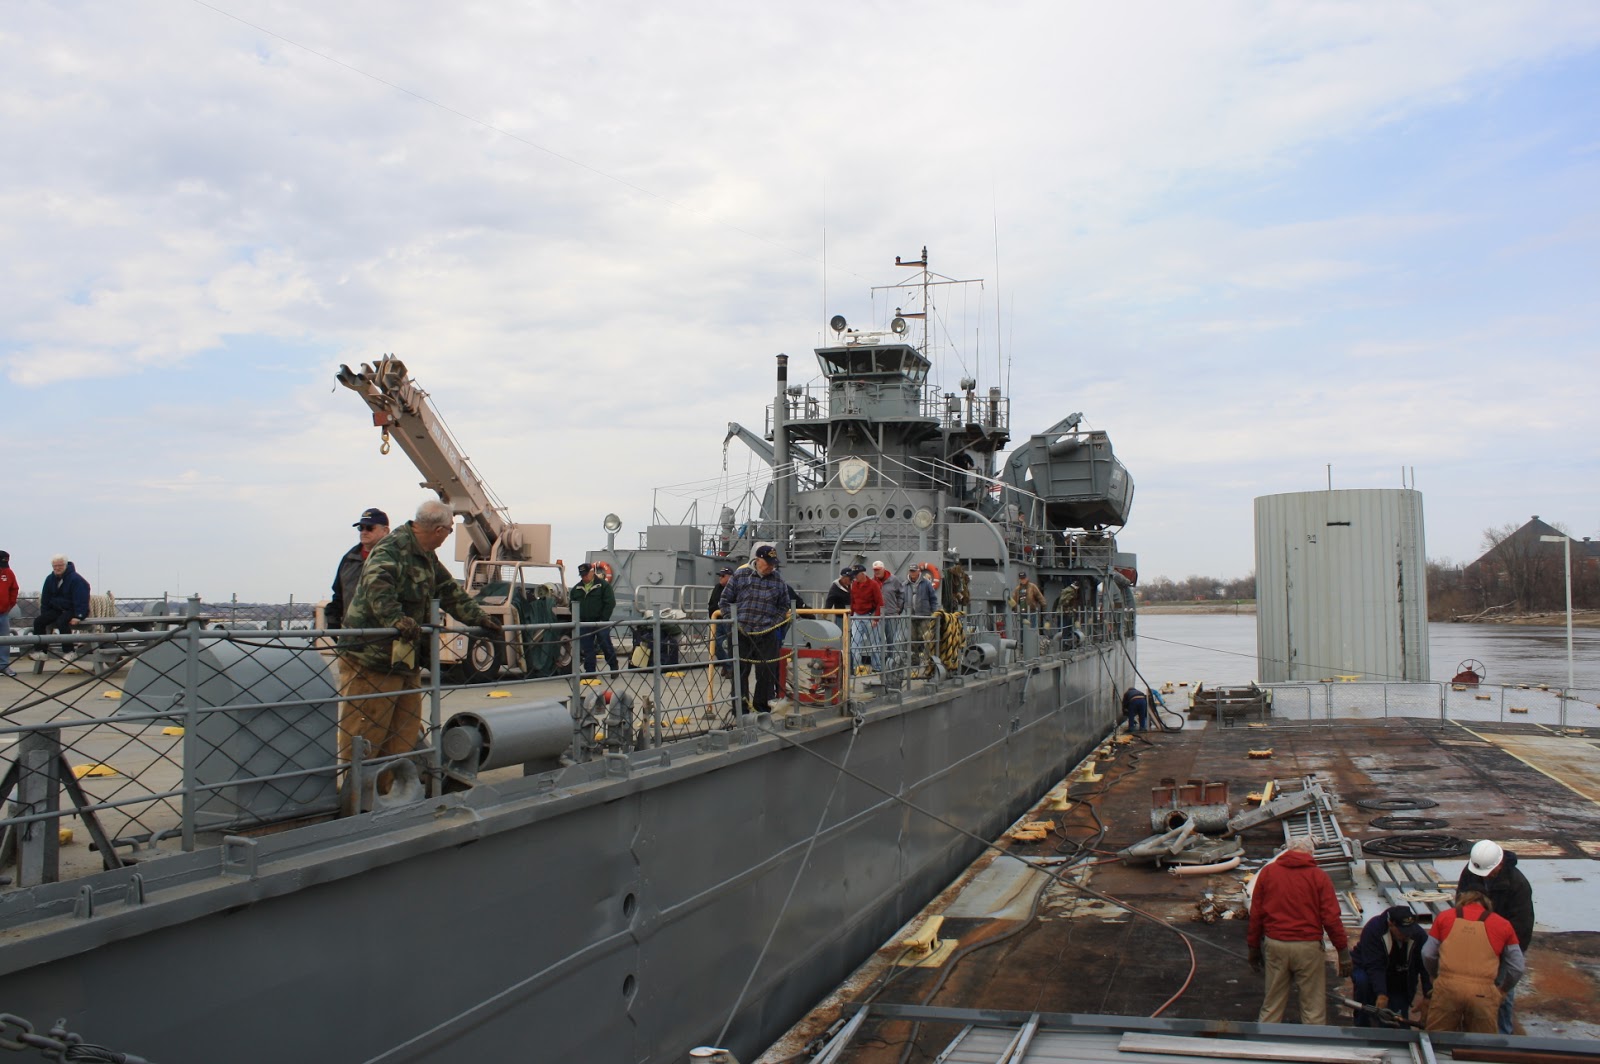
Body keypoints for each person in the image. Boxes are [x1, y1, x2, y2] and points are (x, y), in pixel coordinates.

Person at [338, 500, 501, 804]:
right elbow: (377, 587)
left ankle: (388, 796)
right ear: (438, 529)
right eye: (449, 531)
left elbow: (450, 592)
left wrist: (480, 618)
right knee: (366, 734)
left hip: (403, 660)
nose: (448, 536)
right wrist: (395, 620)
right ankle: (355, 802)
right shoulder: (391, 550)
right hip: (371, 659)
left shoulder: (426, 556)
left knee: (402, 731)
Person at [1247, 835, 1351, 1025]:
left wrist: (1253, 947)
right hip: (1308, 948)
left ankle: (1264, 1047)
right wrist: (1342, 951)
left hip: (1276, 944)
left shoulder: (1269, 873)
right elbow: (1331, 918)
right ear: (1311, 853)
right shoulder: (1319, 877)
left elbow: (1256, 914)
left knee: (1272, 1005)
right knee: (1313, 1009)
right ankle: (1312, 1049)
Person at [1456, 839, 1533, 1034]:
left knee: (1501, 996)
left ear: (1499, 864)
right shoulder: (1472, 870)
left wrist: (1504, 953)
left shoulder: (1517, 884)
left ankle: (1503, 1036)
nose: (1485, 875)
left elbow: (1521, 926)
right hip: (1474, 942)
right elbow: (1461, 905)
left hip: (1502, 945)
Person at [1421, 890, 1525, 1034]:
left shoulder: (1444, 917)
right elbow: (1517, 967)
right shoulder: (1503, 925)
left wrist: (1435, 975)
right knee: (1482, 1047)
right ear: (1487, 906)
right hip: (1482, 993)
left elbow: (1427, 954)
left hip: (1448, 988)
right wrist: (1503, 990)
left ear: (1462, 902)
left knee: (1437, 1041)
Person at [719, 544, 794, 715]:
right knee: (740, 671)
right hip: (741, 633)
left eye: (773, 563)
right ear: (758, 560)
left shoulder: (778, 580)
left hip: (766, 633)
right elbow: (724, 602)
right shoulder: (740, 575)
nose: (771, 566)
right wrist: (732, 621)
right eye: (768, 562)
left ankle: (761, 707)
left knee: (766, 672)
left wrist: (773, 622)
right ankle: (740, 708)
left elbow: (784, 606)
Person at [1350, 905, 1430, 1027]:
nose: (1406, 936)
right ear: (1390, 924)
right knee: (1363, 983)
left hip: (1398, 974)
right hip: (1366, 967)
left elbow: (1425, 966)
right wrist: (1381, 994)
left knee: (1397, 1023)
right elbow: (1375, 966)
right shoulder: (1373, 930)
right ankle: (1362, 1024)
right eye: (1402, 932)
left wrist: (1428, 996)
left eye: (1409, 931)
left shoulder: (1418, 935)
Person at [325, 507, 389, 630]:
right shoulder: (348, 559)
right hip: (352, 633)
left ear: (385, 530)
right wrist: (333, 621)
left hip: (386, 633)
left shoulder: (397, 558)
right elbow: (338, 595)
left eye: (370, 528)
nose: (364, 532)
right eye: (361, 528)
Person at [32, 554, 91, 658]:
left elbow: (82, 598)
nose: (57, 568)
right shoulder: (50, 579)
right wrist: (45, 615)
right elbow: (45, 599)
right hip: (57, 609)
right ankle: (41, 651)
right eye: (55, 566)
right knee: (38, 621)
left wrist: (79, 615)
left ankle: (69, 652)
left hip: (72, 609)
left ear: (66, 565)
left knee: (62, 622)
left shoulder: (76, 579)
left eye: (60, 565)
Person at [572, 562, 619, 674]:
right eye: (582, 575)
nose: (584, 577)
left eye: (586, 574)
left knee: (605, 644)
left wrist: (604, 618)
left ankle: (613, 666)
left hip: (600, 622)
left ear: (592, 572)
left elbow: (610, 603)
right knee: (587, 647)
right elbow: (571, 604)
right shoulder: (576, 589)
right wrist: (578, 617)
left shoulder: (603, 586)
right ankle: (590, 671)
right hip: (584, 623)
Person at [874, 561, 908, 683]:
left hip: (891, 614)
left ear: (883, 569)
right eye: (874, 570)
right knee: (877, 640)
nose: (876, 572)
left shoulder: (894, 580)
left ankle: (891, 663)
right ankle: (879, 665)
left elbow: (901, 594)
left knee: (891, 640)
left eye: (878, 569)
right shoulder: (873, 582)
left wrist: (898, 607)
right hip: (878, 615)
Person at [906, 564, 939, 676]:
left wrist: (934, 613)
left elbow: (933, 599)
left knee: (927, 639)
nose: (912, 573)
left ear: (918, 572)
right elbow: (902, 598)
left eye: (914, 571)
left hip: (924, 615)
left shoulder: (926, 584)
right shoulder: (905, 584)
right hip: (911, 616)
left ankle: (927, 661)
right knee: (912, 639)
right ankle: (914, 661)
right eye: (911, 571)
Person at [848, 566, 883, 672]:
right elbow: (853, 601)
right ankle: (857, 667)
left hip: (870, 616)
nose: (854, 577)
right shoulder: (854, 585)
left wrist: (876, 618)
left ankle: (877, 667)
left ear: (863, 574)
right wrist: (852, 615)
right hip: (857, 617)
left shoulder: (873, 585)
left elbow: (880, 602)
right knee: (855, 643)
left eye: (856, 574)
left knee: (875, 644)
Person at [707, 566, 733, 677]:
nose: (720, 578)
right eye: (719, 576)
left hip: (729, 621)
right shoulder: (717, 588)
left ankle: (730, 667)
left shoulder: (735, 588)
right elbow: (712, 603)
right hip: (717, 621)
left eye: (723, 576)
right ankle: (728, 665)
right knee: (716, 645)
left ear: (730, 577)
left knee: (731, 645)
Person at [0, 549, 18, 677]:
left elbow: (14, 589)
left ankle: (4, 666)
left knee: (5, 641)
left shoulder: (8, 572)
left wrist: (10, 605)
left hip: (3, 613)